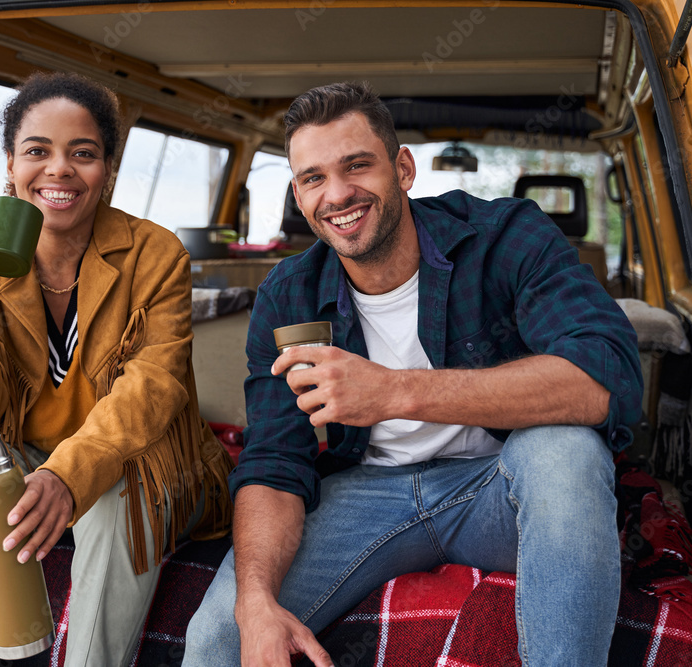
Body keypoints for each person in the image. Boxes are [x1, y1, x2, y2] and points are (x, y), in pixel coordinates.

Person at [183, 81, 641, 667]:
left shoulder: (506, 237)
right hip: (361, 493)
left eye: (357, 165)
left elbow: (605, 378)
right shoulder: (289, 293)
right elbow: (275, 460)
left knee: (566, 451)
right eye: (313, 178)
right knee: (219, 636)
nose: (338, 194)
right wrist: (254, 600)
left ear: (402, 168)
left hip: (496, 488)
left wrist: (393, 391)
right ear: (299, 196)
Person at [0, 71, 233, 667]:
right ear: (11, 163)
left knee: (118, 495)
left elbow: (152, 390)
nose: (58, 169)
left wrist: (66, 477)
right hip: (30, 451)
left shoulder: (155, 254)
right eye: (37, 151)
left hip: (145, 459)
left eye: (82, 154)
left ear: (106, 169)